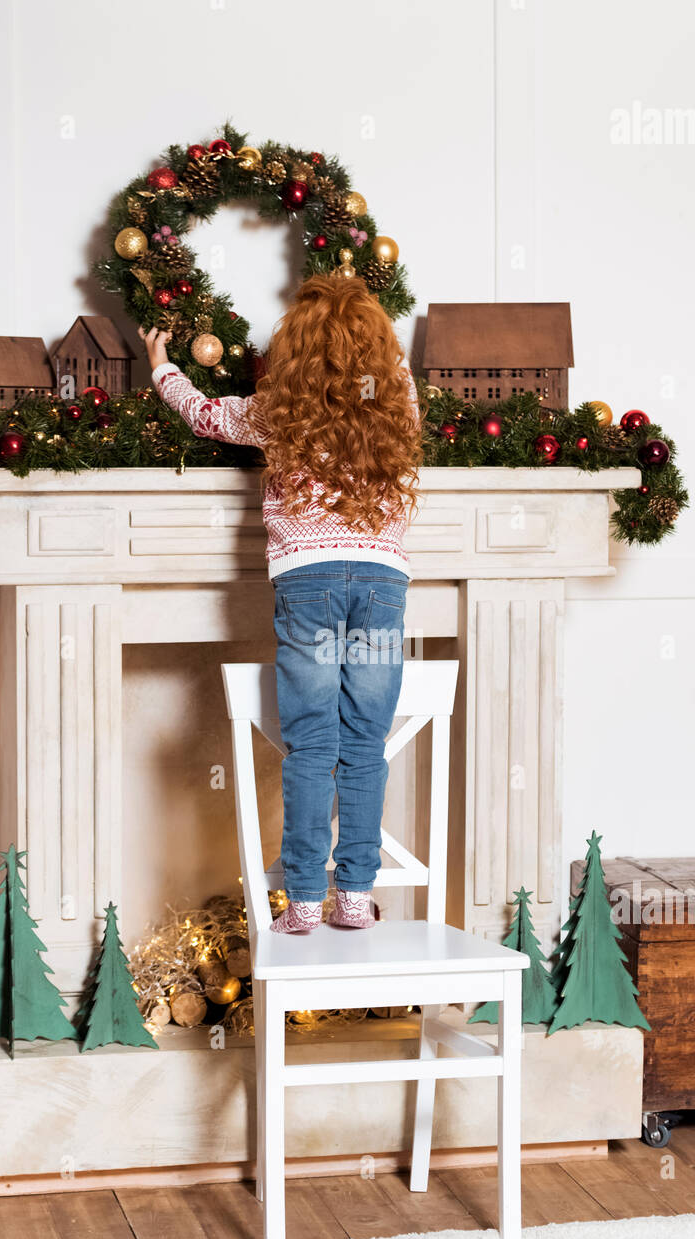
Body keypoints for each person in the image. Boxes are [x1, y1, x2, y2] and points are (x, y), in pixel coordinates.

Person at [140, 273, 422, 933]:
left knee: (312, 744)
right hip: (381, 589)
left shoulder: (280, 410)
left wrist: (162, 366)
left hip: (308, 585)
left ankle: (301, 899)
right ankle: (353, 893)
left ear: (293, 350)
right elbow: (392, 377)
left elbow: (205, 415)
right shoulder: (396, 403)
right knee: (364, 742)